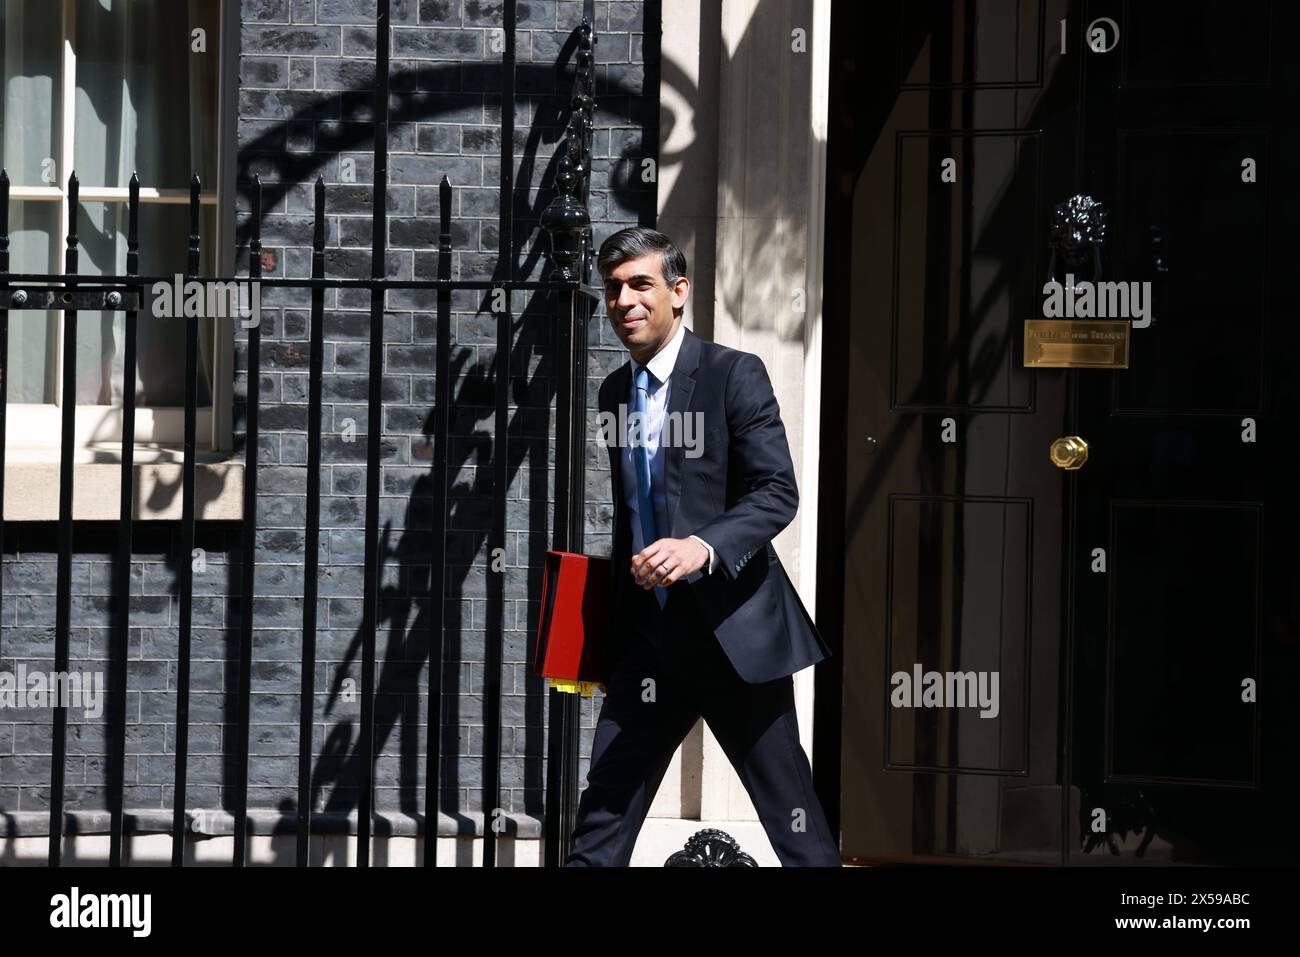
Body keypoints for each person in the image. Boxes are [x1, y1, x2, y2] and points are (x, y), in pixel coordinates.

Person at [563, 227, 840, 867]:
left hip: (734, 634)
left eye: (641, 284)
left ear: (679, 291)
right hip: (648, 642)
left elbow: (776, 491)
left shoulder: (732, 374)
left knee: (792, 820)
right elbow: (638, 509)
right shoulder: (613, 393)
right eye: (613, 289)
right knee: (604, 808)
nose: (624, 301)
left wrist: (700, 547)